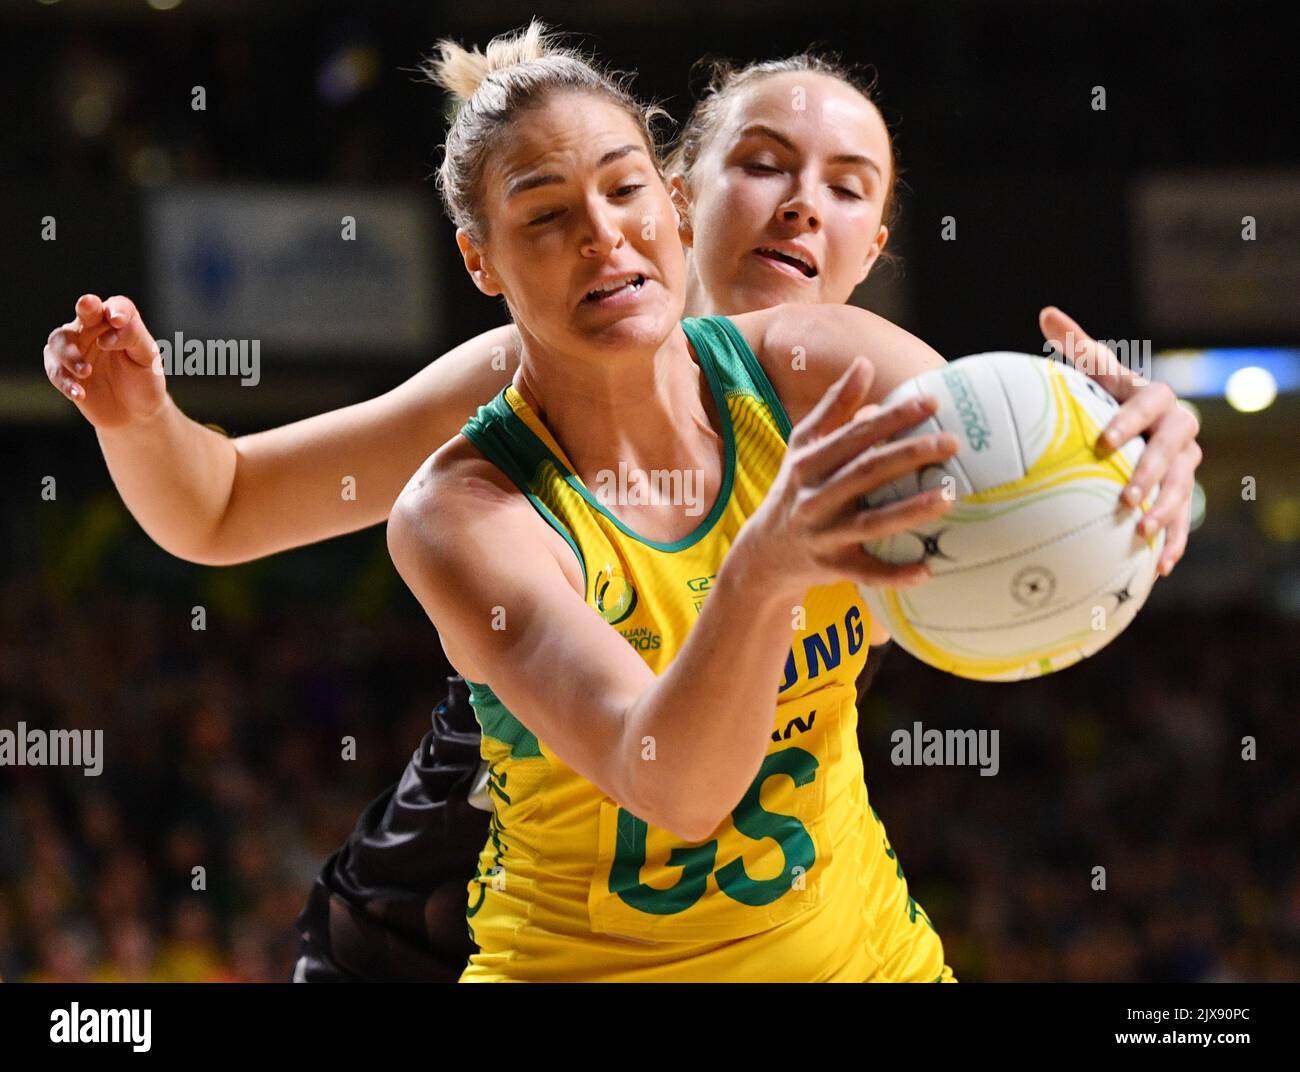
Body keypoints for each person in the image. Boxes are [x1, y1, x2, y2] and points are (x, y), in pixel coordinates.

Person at [41, 25, 1201, 980]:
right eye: (764, 164)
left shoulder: (827, 363)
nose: (800, 209)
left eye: (845, 187)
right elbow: (229, 502)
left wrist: (1151, 457)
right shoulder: (492, 437)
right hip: (451, 899)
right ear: (688, 188)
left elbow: (1055, 499)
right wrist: (144, 423)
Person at [382, 23, 1174, 981]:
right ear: (482, 261)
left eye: (625, 189)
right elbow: (674, 785)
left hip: (866, 957)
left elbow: (1016, 484)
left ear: (667, 206)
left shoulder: (819, 358)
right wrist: (762, 571)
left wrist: (1136, 453)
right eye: (546, 215)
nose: (602, 231)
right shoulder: (461, 508)